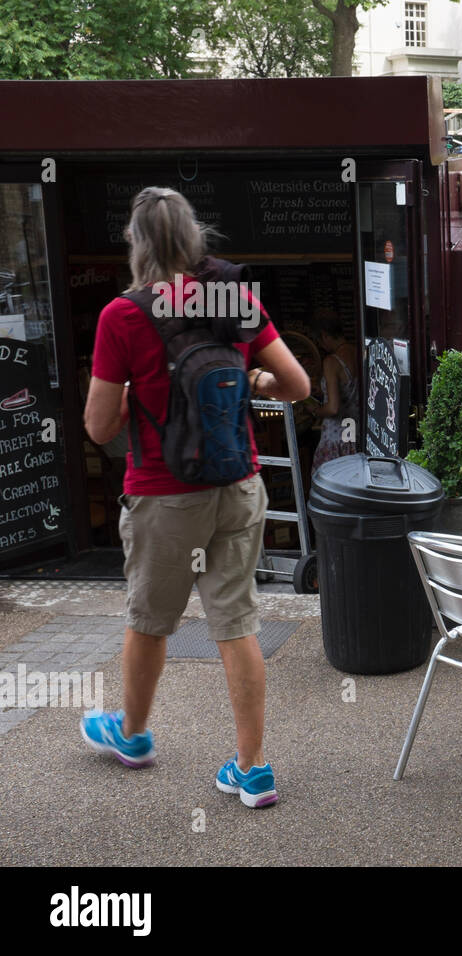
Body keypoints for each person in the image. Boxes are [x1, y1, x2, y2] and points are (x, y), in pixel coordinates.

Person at [81, 186, 310, 807]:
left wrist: (137, 393)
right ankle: (253, 768)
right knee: (236, 625)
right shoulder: (230, 298)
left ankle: (131, 736)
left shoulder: (122, 316)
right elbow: (297, 384)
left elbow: (100, 429)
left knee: (151, 622)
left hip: (164, 496)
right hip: (238, 486)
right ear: (194, 239)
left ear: (137, 244)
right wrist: (253, 375)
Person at [309, 314, 359, 472]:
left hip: (336, 435)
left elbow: (333, 408)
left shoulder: (331, 362)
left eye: (319, 341)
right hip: (354, 432)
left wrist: (315, 410)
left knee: (329, 488)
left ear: (324, 335)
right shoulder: (359, 352)